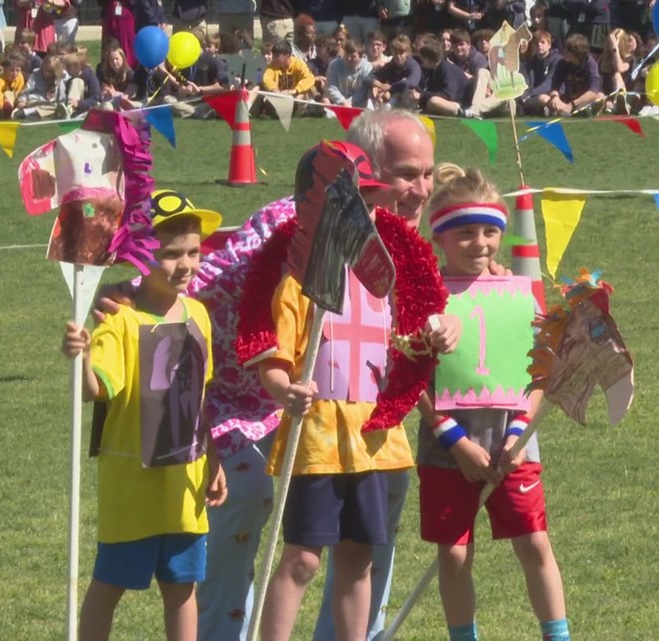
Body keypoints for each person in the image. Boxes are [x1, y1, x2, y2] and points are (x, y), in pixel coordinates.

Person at [94, 108, 457, 641]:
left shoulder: (400, 237)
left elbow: (410, 324)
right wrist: (132, 297)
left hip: (363, 417)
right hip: (254, 403)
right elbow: (204, 272)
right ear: (364, 172)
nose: (420, 189)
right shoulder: (296, 225)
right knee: (257, 521)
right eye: (407, 174)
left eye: (427, 173)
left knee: (366, 543)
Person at [62, 190, 229, 641]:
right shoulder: (119, 319)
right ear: (140, 256)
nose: (185, 264)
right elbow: (97, 390)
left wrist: (213, 459)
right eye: (171, 254)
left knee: (182, 587)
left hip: (185, 485)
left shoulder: (198, 315)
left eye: (193, 252)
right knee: (109, 585)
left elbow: (198, 397)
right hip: (132, 486)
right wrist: (78, 358)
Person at [416, 164, 572, 641]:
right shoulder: (423, 296)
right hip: (447, 448)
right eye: (465, 233)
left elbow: (539, 368)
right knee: (455, 552)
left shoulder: (517, 292)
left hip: (515, 442)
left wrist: (518, 433)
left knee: (534, 542)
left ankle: (557, 634)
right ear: (440, 237)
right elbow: (413, 378)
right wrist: (456, 441)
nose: (481, 244)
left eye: (490, 232)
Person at [325, 38, 373, 107]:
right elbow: (331, 87)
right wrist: (343, 102)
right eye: (347, 55)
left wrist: (349, 103)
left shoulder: (367, 68)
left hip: (359, 105)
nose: (349, 58)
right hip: (338, 104)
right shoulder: (334, 65)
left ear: (361, 56)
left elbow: (363, 91)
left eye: (353, 56)